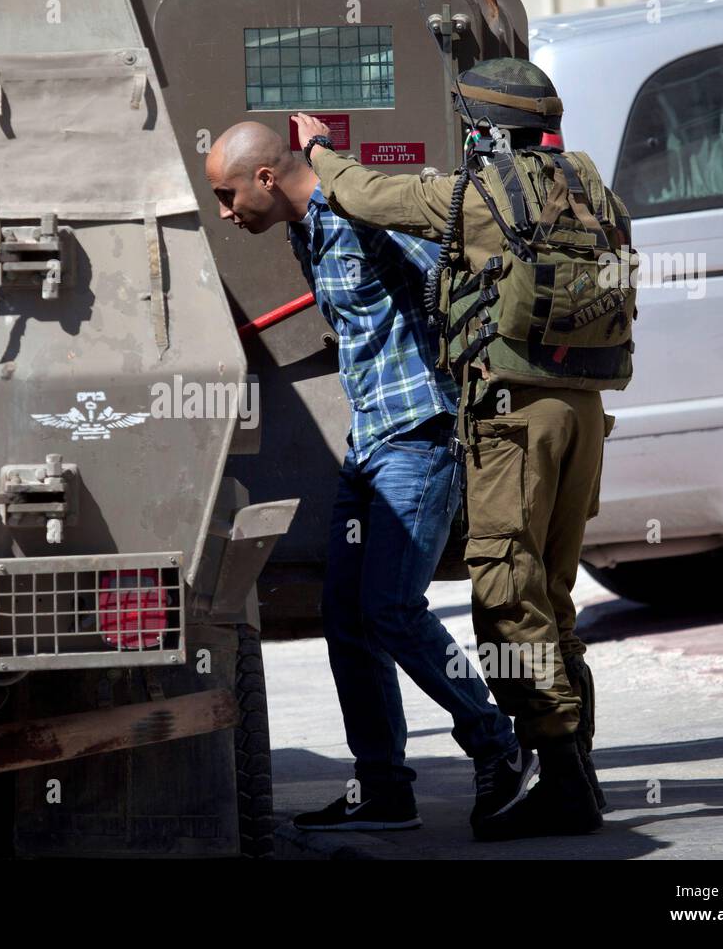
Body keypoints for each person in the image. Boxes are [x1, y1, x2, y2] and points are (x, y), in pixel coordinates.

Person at [293, 57, 636, 840]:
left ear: (484, 129)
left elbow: (366, 194)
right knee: (552, 594)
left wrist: (319, 152)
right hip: (585, 411)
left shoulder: (474, 196)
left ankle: (561, 781)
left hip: (514, 416)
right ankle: (576, 764)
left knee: (505, 593)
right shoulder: (590, 189)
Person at [204, 120, 537, 833]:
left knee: (391, 608)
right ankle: (383, 788)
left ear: (265, 177)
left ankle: (500, 748)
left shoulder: (360, 211)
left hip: (418, 435)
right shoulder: (305, 231)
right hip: (370, 447)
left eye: (227, 195)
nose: (226, 213)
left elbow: (459, 274)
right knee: (347, 618)